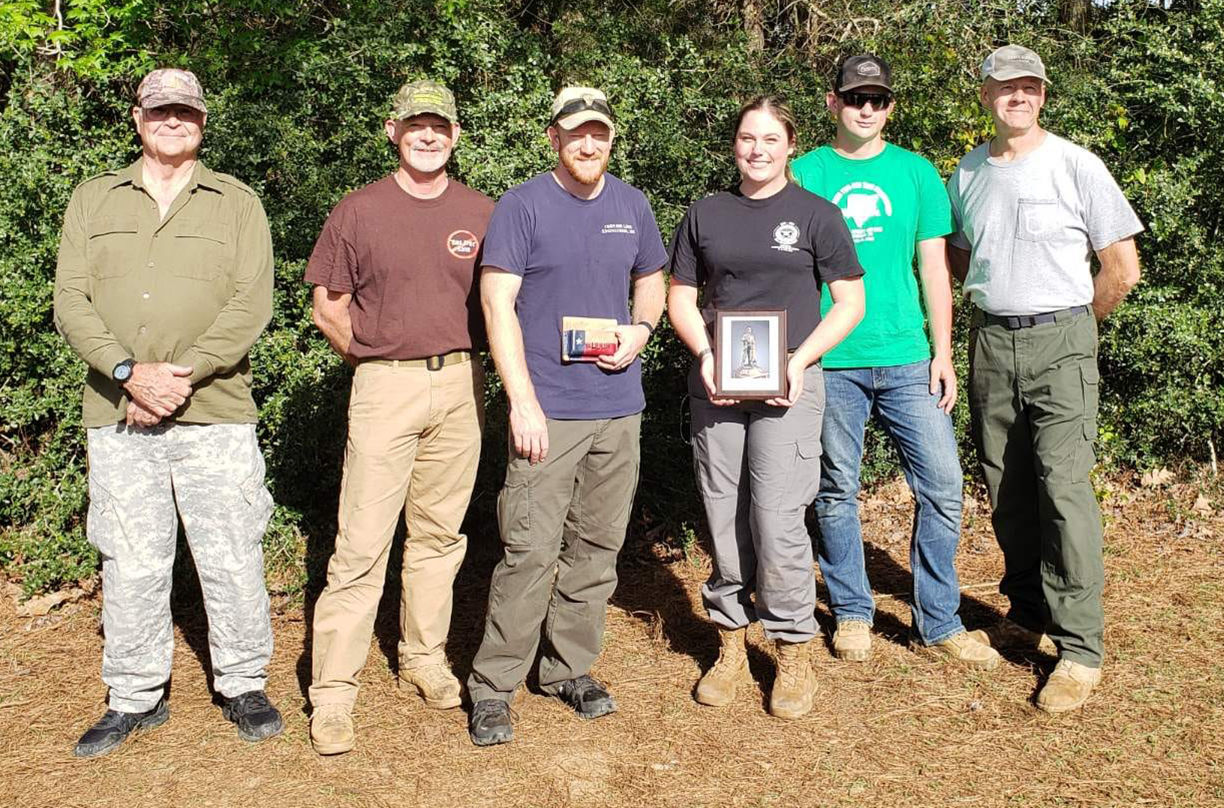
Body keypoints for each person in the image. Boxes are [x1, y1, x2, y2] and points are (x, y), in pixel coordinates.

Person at [53, 68, 282, 757]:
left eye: (185, 111)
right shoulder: (93, 201)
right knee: (130, 558)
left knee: (232, 553)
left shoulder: (238, 204)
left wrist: (183, 376)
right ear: (138, 118)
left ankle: (243, 684)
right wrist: (129, 372)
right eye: (160, 111)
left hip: (214, 409)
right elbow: (71, 302)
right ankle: (134, 695)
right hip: (118, 411)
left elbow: (252, 305)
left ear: (203, 121)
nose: (172, 121)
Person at [466, 86, 667, 746]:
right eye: (576, 133)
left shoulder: (631, 204)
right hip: (547, 411)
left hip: (619, 409)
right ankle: (494, 685)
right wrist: (522, 401)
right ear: (554, 137)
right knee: (528, 551)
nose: (588, 144)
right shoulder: (523, 206)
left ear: (611, 138)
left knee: (596, 552)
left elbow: (652, 278)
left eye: (599, 134)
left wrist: (642, 328)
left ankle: (567, 670)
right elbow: (497, 306)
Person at [947, 45, 1143, 713]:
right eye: (1005, 88)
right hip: (991, 341)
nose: (1017, 97)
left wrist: (1075, 327)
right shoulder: (968, 172)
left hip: (1062, 340)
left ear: (1043, 95)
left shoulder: (1076, 165)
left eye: (1029, 87)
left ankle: (1080, 647)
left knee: (1063, 490)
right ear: (985, 96)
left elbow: (1121, 267)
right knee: (1006, 487)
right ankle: (1027, 610)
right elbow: (960, 254)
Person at [791, 54, 1000, 669]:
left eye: (877, 99)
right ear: (833, 103)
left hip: (908, 355)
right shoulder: (803, 174)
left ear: (889, 108)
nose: (866, 109)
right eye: (855, 98)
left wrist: (943, 351)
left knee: (944, 487)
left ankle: (938, 619)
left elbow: (934, 265)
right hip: (831, 359)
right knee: (836, 491)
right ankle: (853, 613)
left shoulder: (916, 174)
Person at [304, 80, 494, 755]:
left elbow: (501, 305)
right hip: (385, 387)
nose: (427, 135)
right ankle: (332, 692)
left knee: (440, 537)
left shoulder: (482, 211)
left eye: (439, 125)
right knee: (361, 544)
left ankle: (423, 656)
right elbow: (329, 306)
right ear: (393, 129)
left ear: (455, 134)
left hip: (460, 385)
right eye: (416, 124)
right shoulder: (359, 211)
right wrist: (375, 357)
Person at [668, 96, 866, 719]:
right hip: (718, 389)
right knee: (723, 513)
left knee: (779, 518)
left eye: (770, 140)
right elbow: (680, 297)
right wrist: (705, 354)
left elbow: (849, 304)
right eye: (747, 138)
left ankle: (791, 647)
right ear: (734, 145)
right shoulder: (706, 213)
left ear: (790, 146)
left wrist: (798, 361)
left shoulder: (817, 215)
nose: (757, 150)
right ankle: (730, 641)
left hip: (788, 390)